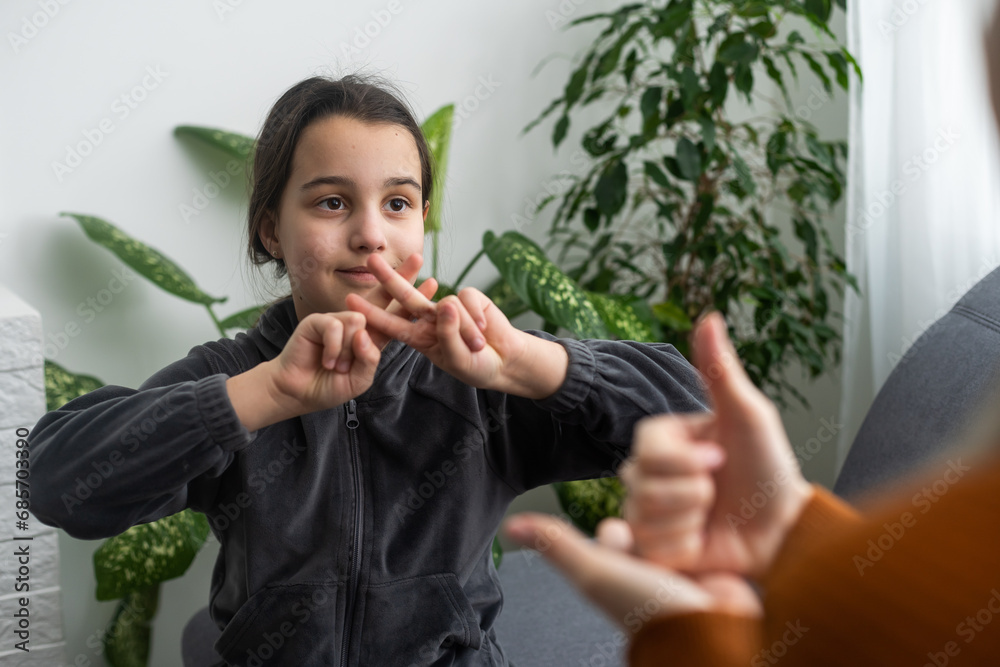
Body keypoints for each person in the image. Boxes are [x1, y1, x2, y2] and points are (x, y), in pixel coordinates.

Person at [27, 74, 708, 666]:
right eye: (331, 201)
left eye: (398, 203)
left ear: (421, 224)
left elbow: (700, 424)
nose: (371, 234)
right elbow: (57, 481)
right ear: (271, 230)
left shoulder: (481, 380)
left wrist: (530, 364)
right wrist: (264, 395)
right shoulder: (237, 374)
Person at [504, 310, 1000, 665]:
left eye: (420, 201)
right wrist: (790, 527)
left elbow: (678, 403)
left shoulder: (473, 378)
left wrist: (691, 642)